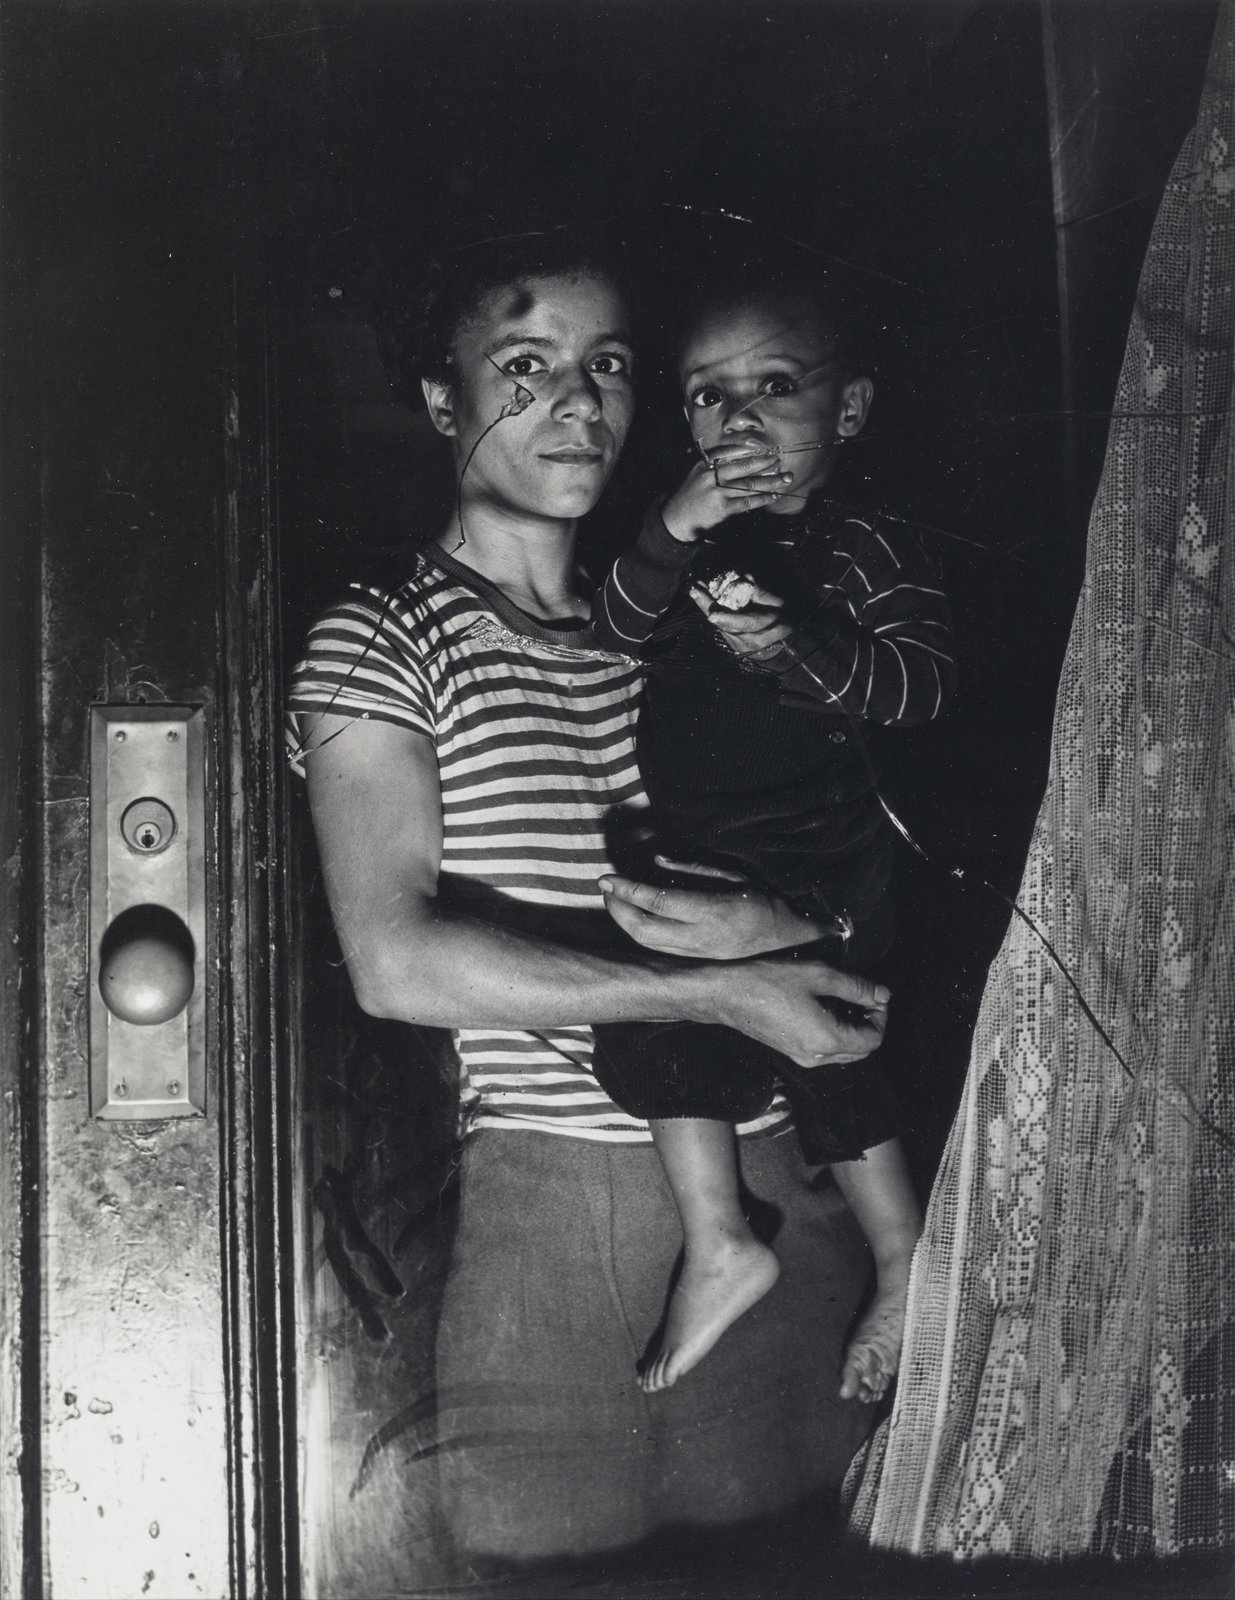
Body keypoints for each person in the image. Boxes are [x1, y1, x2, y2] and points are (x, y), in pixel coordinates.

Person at [287, 230, 889, 1568]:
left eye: (607, 364)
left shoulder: (671, 624)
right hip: (553, 1195)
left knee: (797, 1571)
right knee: (543, 1568)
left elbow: (842, 859)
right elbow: (396, 962)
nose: (577, 402)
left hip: (779, 1179)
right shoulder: (384, 632)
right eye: (524, 365)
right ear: (442, 401)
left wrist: (782, 943)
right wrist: (713, 985)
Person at [590, 257, 955, 1399]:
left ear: (846, 409)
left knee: (830, 1039)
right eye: (705, 395)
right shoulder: (683, 532)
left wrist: (801, 644)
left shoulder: (866, 545)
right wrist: (670, 522)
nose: (735, 420)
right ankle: (717, 1240)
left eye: (773, 387)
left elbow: (922, 688)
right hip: (700, 851)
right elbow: (616, 624)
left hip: (821, 855)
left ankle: (902, 1258)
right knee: (651, 1022)